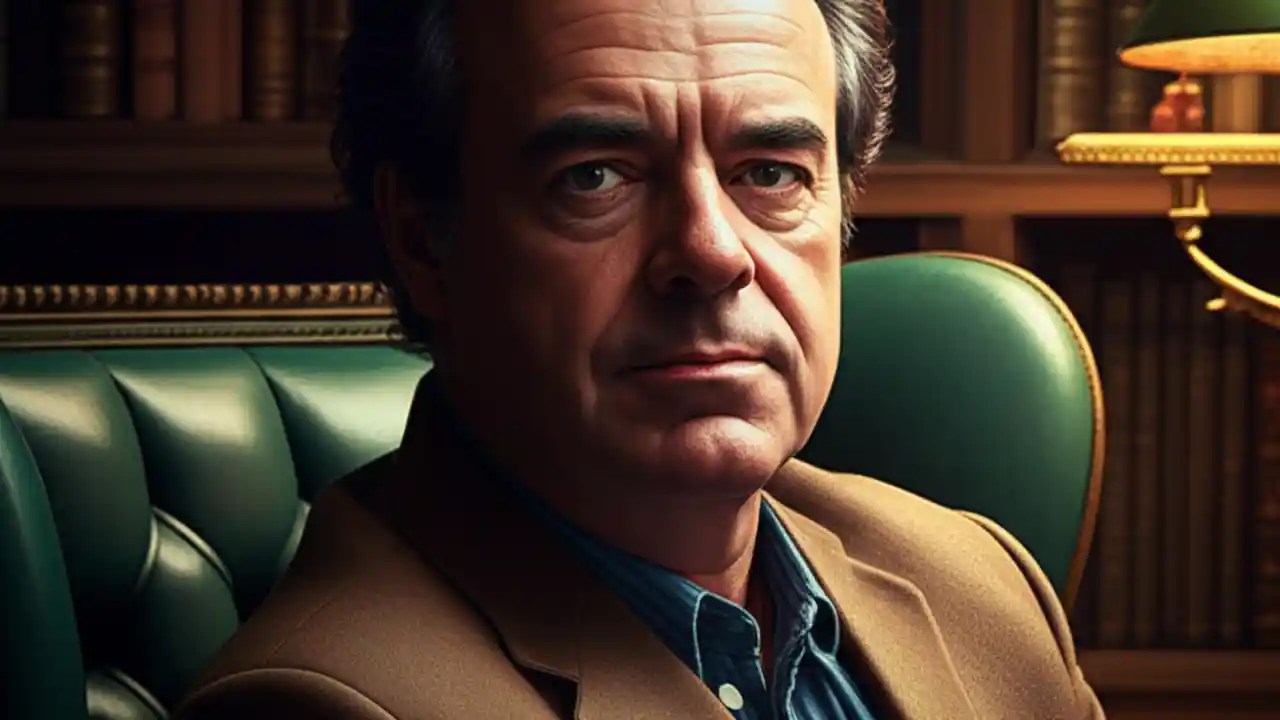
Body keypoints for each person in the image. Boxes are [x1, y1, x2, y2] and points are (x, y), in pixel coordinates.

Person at [176, 0, 1104, 717]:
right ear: (423, 240)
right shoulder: (323, 704)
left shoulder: (982, 585)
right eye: (596, 177)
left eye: (770, 173)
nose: (711, 253)